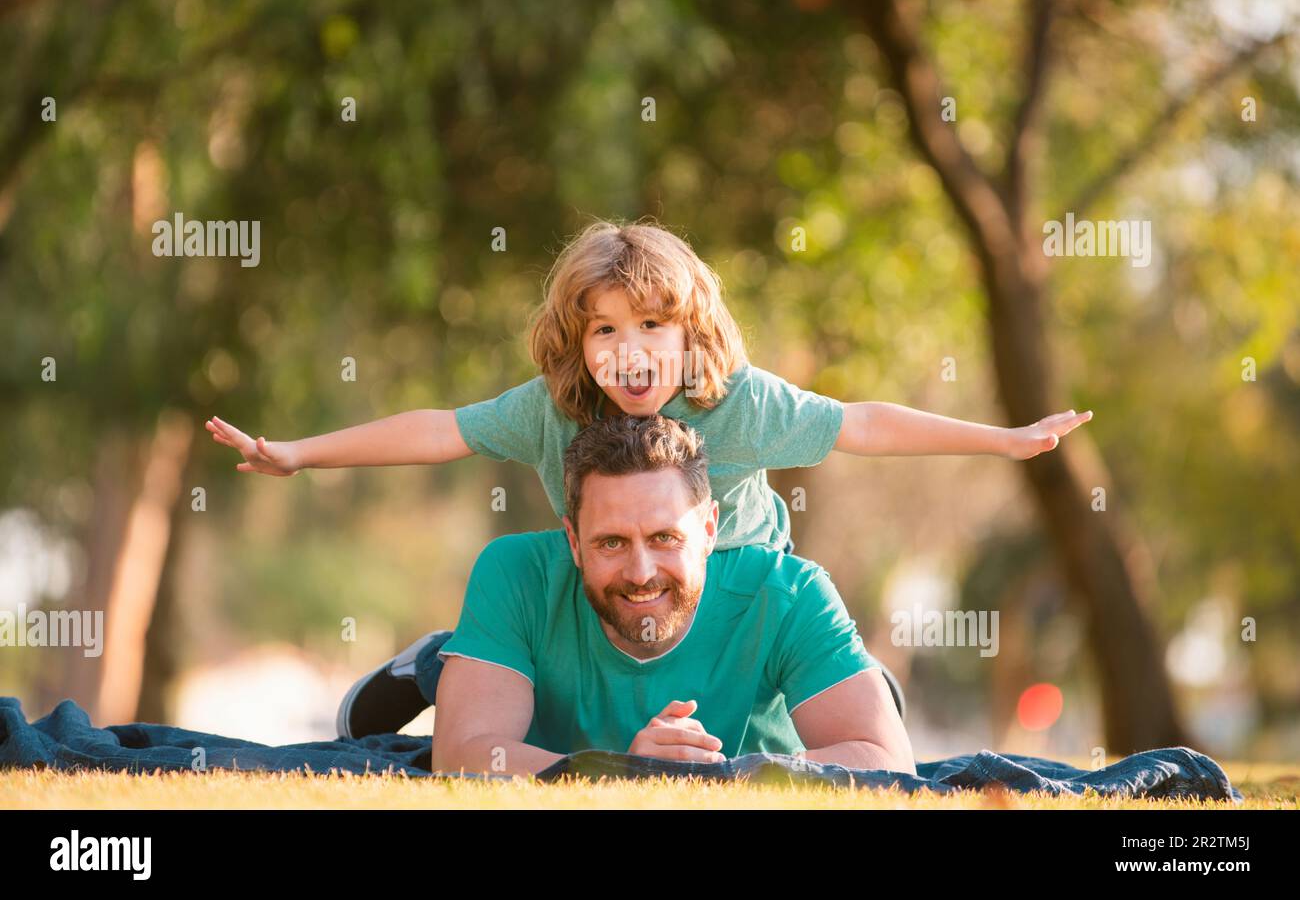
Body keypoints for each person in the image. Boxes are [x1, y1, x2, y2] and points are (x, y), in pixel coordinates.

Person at [204, 217, 1090, 738]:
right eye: (605, 332)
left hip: (735, 627)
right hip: (602, 613)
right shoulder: (555, 407)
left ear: (691, 333)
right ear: (577, 344)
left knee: (747, 751)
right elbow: (443, 430)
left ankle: (854, 680)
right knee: (565, 701)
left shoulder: (741, 402)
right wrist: (300, 451)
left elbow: (861, 423)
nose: (630, 356)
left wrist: (1005, 439)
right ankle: (451, 664)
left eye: (652, 328)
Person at [429, 412, 915, 775]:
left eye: (664, 538)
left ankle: (861, 678)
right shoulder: (515, 573)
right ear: (573, 542)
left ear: (708, 529)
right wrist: (624, 771)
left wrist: (717, 777)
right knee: (449, 677)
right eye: (611, 542)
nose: (640, 573)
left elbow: (887, 764)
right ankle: (429, 664)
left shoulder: (790, 590)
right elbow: (458, 755)